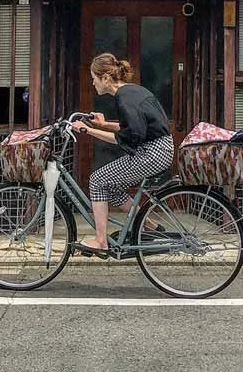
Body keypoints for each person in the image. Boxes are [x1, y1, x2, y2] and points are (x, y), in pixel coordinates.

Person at [70, 53, 174, 256]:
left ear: (106, 78)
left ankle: (101, 241)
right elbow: (133, 128)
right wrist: (103, 124)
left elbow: (129, 136)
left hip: (152, 153)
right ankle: (150, 226)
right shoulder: (134, 91)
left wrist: (88, 131)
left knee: (97, 180)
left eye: (94, 78)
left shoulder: (123, 98)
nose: (92, 83)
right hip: (160, 149)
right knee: (111, 186)